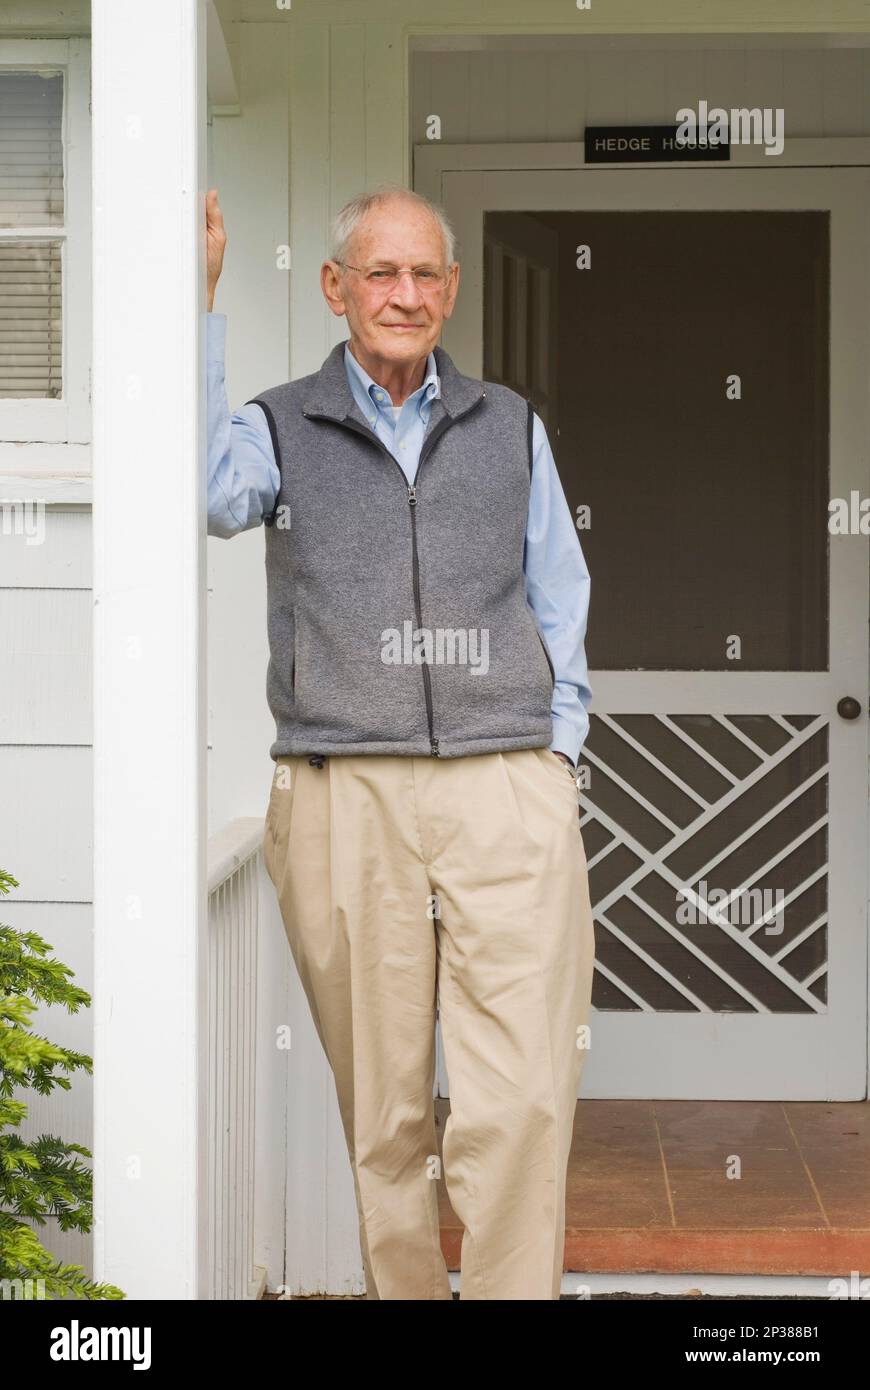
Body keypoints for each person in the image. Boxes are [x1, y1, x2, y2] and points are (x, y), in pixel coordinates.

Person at [205, 182, 595, 1300]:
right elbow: (205, 496)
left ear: (452, 290)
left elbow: (559, 591)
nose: (405, 294)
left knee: (520, 1094)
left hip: (505, 785)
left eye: (426, 274)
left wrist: (557, 751)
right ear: (336, 287)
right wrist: (201, 307)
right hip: (345, 789)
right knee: (382, 1109)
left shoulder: (510, 424)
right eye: (381, 272)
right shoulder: (279, 426)